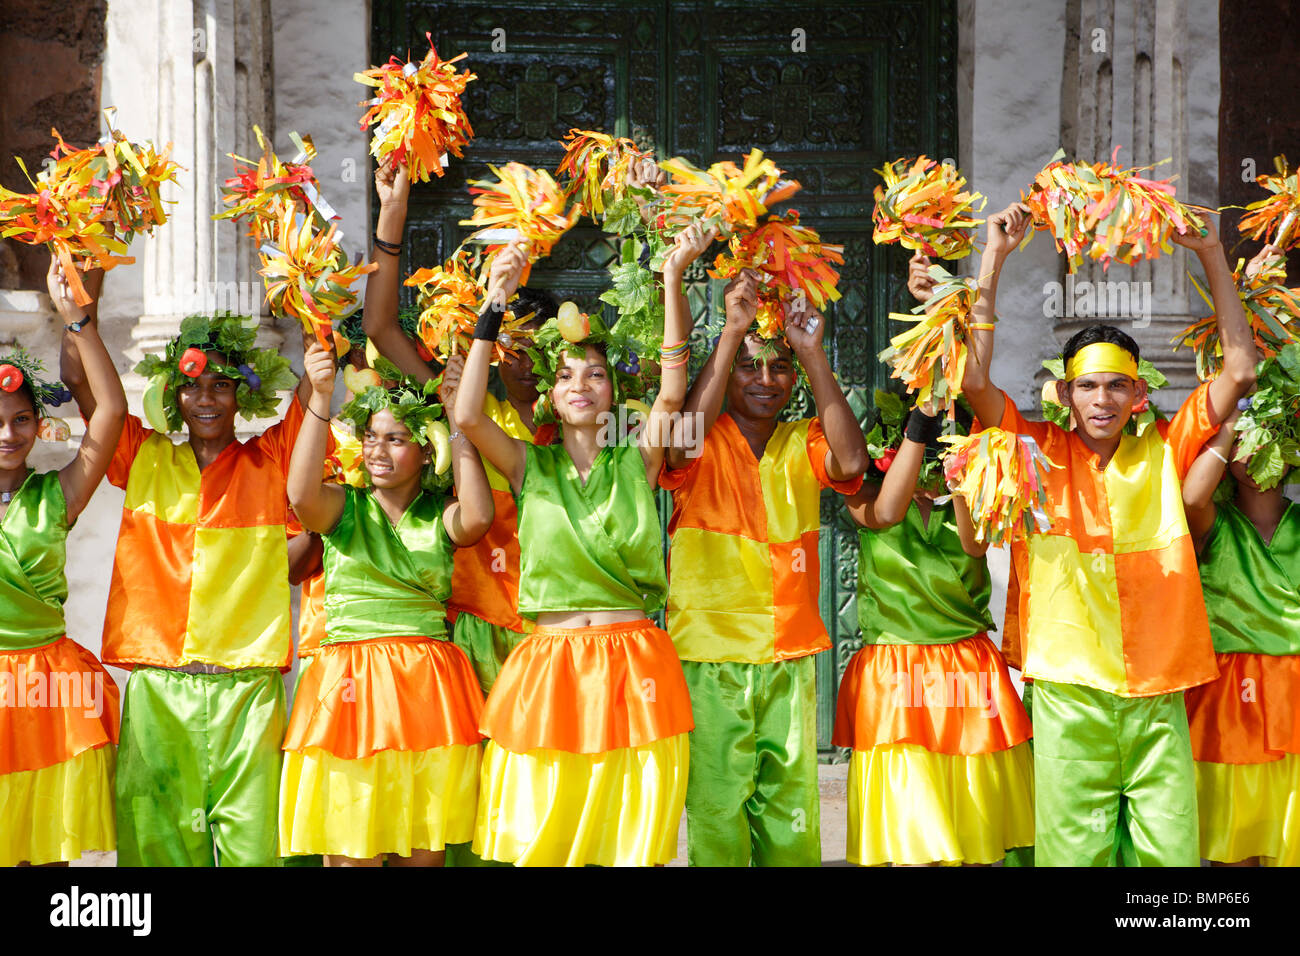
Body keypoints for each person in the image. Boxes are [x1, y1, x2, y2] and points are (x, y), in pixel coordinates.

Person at [955, 204, 1258, 866]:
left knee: (1171, 860)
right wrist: (993, 257)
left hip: (1157, 696)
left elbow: (1239, 372)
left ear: (1139, 394)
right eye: (1088, 386)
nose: (1102, 400)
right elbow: (972, 381)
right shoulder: (1030, 449)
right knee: (1073, 858)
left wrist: (1209, 253)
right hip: (1069, 696)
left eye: (1117, 386)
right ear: (1064, 396)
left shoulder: (1166, 451)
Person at [455, 224, 712, 866]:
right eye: (567, 374)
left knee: (628, 839)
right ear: (549, 390)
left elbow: (674, 391)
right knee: (544, 835)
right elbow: (465, 417)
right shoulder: (526, 465)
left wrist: (674, 276)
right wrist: (493, 306)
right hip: (548, 662)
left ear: (613, 390)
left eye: (595, 374)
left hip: (633, 662)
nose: (581, 384)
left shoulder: (640, 458)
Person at [63, 307, 307, 867]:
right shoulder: (144, 455)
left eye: (221, 385)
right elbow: (82, 384)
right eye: (193, 386)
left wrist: (318, 318)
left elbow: (314, 401)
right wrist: (79, 317)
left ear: (241, 394)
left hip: (247, 693)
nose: (206, 399)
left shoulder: (270, 460)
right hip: (158, 692)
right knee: (155, 855)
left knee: (259, 855)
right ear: (174, 394)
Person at [660, 268, 868, 867]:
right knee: (718, 810)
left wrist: (812, 354)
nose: (765, 380)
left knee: (790, 813)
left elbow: (851, 462)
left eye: (778, 367)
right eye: (751, 366)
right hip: (708, 656)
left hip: (789, 653)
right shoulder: (700, 443)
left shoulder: (804, 439)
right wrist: (731, 334)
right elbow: (678, 442)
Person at [278, 339, 493, 866]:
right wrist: (320, 398)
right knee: (350, 850)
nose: (377, 450)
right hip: (349, 686)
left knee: (422, 852)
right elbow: (300, 496)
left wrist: (458, 422)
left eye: (395, 439)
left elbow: (480, 517)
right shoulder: (342, 507)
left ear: (426, 449)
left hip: (427, 689)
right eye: (371, 437)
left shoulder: (441, 515)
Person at [834, 389, 1034, 866]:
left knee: (974, 824)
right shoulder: (865, 499)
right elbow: (888, 514)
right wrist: (918, 429)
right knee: (910, 830)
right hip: (894, 672)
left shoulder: (968, 503)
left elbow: (974, 547)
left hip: (965, 669)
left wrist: (962, 476)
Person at [0, 262, 124, 867]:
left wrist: (79, 317)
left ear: (38, 423)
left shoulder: (56, 496)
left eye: (21, 419)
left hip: (45, 692)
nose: (8, 433)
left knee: (43, 854)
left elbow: (110, 416)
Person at [1181, 256, 1298, 866]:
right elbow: (1191, 495)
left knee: (1289, 836)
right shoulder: (1214, 525)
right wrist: (1231, 424)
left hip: (1295, 686)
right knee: (1232, 844)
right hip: (1230, 687)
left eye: (1273, 438)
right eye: (1250, 443)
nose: (1261, 452)